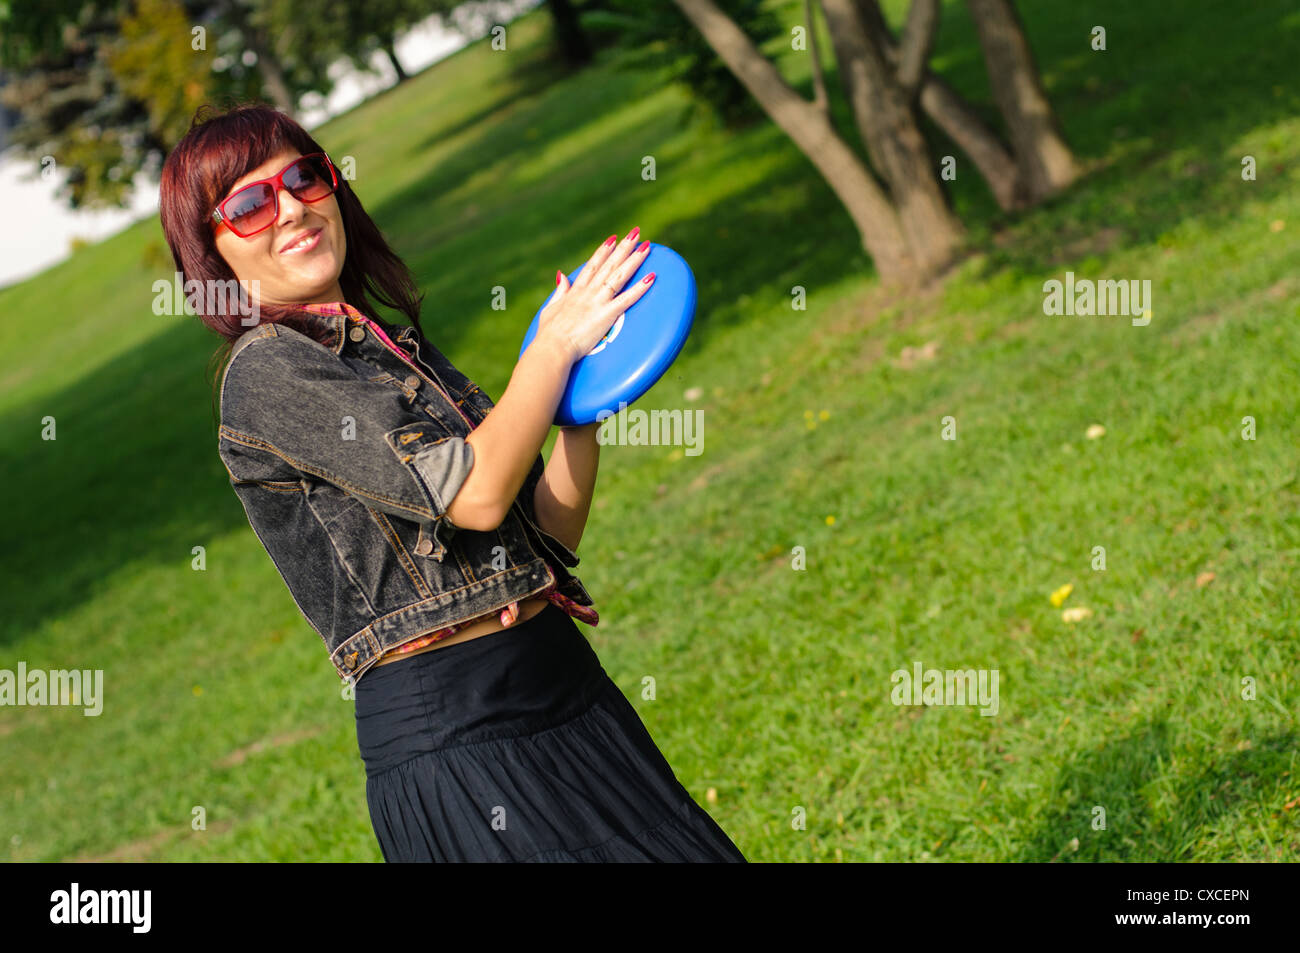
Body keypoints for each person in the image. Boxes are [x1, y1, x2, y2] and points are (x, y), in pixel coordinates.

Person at [158, 102, 746, 862]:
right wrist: (554, 346)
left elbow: (547, 530)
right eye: (249, 204)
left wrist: (582, 404)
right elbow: (471, 492)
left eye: (304, 177)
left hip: (565, 686)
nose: (293, 207)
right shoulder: (269, 370)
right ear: (213, 256)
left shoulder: (393, 351)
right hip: (461, 741)